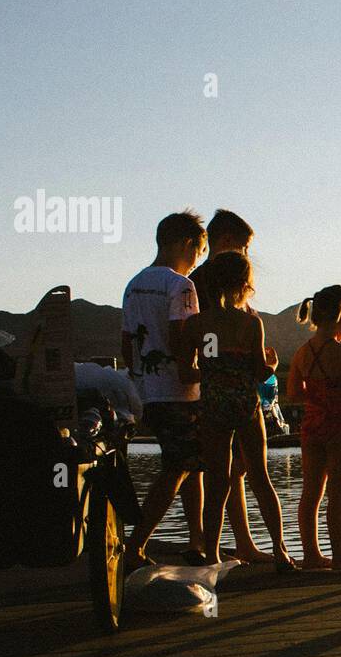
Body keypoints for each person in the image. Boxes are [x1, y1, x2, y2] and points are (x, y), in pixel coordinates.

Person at [185, 251, 295, 571]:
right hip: (246, 407)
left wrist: (214, 371)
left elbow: (188, 371)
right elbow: (261, 372)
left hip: (214, 408)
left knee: (217, 482)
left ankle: (212, 555)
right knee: (260, 478)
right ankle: (280, 551)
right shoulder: (250, 323)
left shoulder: (199, 325)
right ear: (245, 285)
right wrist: (272, 363)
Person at [121, 210, 207, 569]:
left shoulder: (134, 284)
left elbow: (126, 342)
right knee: (178, 467)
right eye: (198, 251)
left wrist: (139, 377)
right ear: (186, 243)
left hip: (147, 391)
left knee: (191, 464)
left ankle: (197, 540)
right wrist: (196, 371)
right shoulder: (181, 285)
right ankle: (135, 545)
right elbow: (180, 337)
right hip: (177, 391)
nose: (197, 260)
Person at [190, 209, 272, 564]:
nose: (247, 255)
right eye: (244, 247)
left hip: (215, 395)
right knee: (236, 471)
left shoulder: (207, 286)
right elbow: (212, 345)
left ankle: (229, 543)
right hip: (227, 396)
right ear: (226, 241)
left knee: (228, 470)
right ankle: (225, 543)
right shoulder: (209, 285)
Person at [288, 285, 341, 572]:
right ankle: (339, 557)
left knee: (310, 492)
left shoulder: (301, 353)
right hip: (339, 427)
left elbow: (294, 393)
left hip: (311, 428)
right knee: (339, 492)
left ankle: (311, 555)